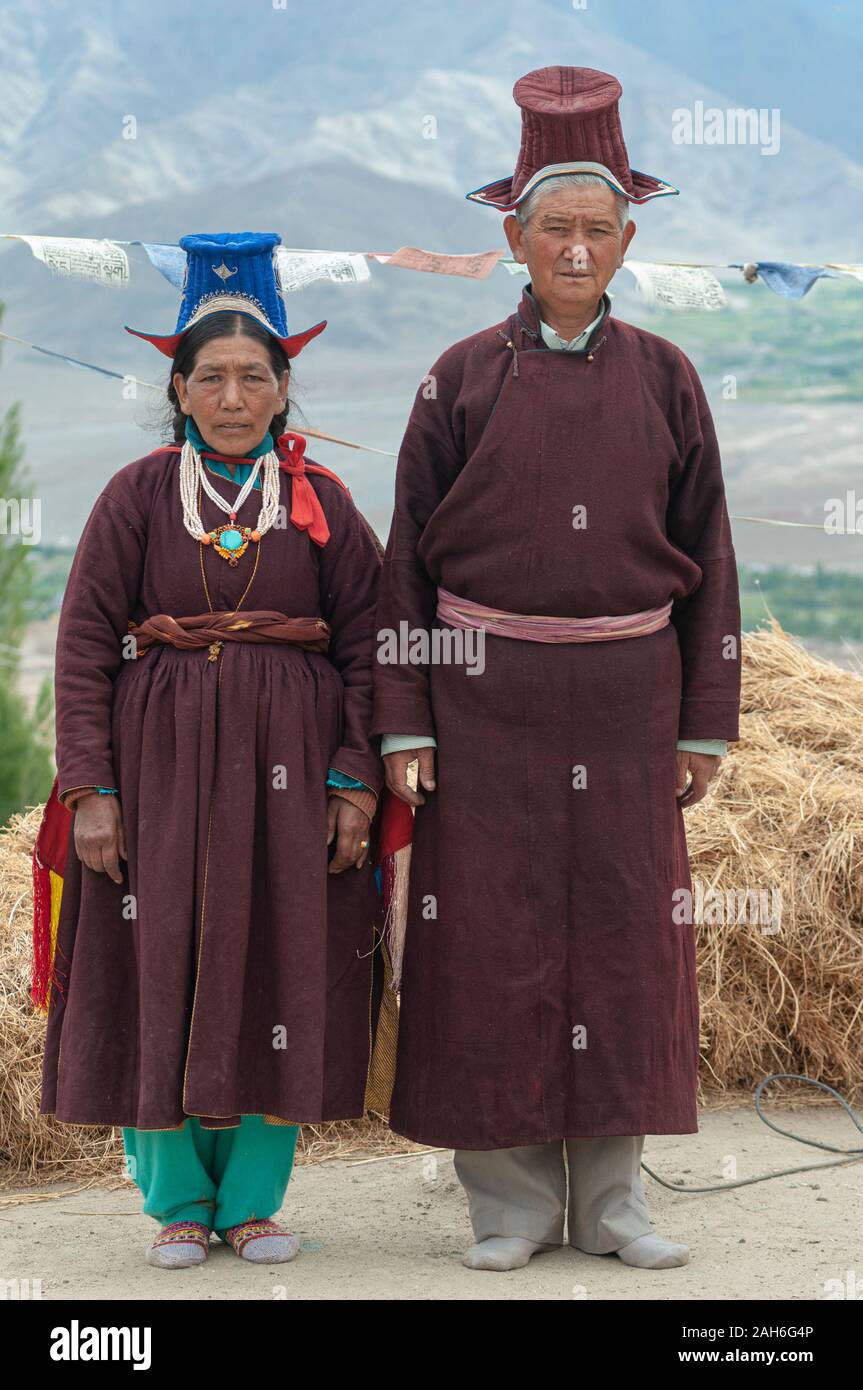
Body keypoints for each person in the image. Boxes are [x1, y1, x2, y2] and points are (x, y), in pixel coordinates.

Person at [372, 68, 741, 1272]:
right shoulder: (457, 379)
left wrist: (702, 722)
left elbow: (713, 560)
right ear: (511, 237)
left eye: (596, 229)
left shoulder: (669, 376)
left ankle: (616, 1201)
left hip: (629, 700)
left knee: (627, 940)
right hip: (482, 704)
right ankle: (511, 1205)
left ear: (627, 238)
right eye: (553, 228)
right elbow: (402, 572)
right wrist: (404, 723)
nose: (575, 248)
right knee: (489, 936)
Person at [37, 232, 385, 1268]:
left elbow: (372, 645)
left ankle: (253, 1202)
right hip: (158, 777)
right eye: (212, 377)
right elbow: (84, 643)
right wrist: (91, 788)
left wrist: (353, 781)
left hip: (291, 781)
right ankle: (177, 1198)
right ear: (178, 389)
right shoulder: (134, 498)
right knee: (159, 959)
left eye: (254, 377)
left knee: (278, 959)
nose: (233, 396)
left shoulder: (324, 504)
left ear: (284, 390)